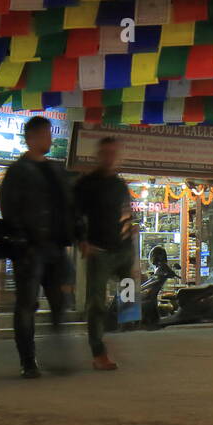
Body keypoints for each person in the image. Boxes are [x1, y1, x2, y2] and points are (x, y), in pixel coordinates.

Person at [0, 116, 78, 379]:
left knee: (59, 301)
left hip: (55, 247)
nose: (49, 139)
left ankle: (55, 355)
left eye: (49, 134)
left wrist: (75, 235)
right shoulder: (18, 171)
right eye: (45, 134)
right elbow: (10, 210)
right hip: (30, 249)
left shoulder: (56, 170)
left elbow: (67, 206)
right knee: (26, 305)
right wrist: (22, 241)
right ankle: (28, 360)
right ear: (31, 138)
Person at [74, 137, 135, 371]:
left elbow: (126, 215)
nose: (110, 157)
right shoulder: (87, 184)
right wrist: (81, 240)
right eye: (106, 152)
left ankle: (124, 332)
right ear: (99, 155)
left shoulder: (120, 185)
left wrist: (130, 244)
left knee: (129, 293)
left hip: (122, 249)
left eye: (114, 152)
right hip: (98, 250)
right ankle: (98, 352)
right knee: (96, 303)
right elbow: (76, 214)